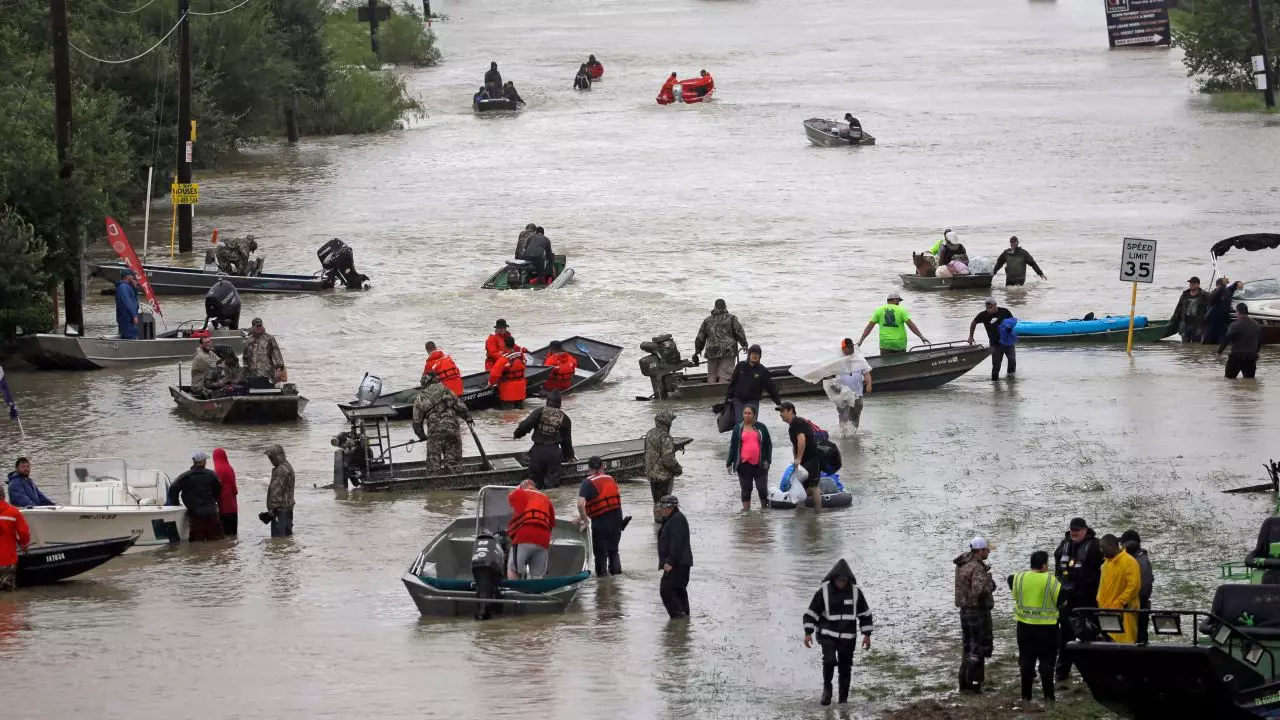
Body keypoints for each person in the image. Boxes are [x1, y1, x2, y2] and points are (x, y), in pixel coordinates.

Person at [803, 559, 874, 706]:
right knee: (829, 660)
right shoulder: (823, 592)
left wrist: (867, 635)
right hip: (827, 635)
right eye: (840, 580)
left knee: (845, 668)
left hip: (848, 638)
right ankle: (827, 689)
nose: (842, 583)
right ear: (834, 578)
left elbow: (865, 615)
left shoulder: (855, 593)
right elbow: (811, 613)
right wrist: (808, 632)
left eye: (845, 580)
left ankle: (843, 700)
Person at [1053, 517, 1104, 681]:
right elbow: (1057, 565)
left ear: (1085, 530)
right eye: (1072, 530)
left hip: (1089, 599)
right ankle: (1062, 671)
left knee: (1090, 634)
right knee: (1065, 634)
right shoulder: (1064, 544)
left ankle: (1093, 671)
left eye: (1078, 530)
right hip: (1068, 599)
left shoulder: (1095, 546)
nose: (1074, 533)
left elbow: (1103, 570)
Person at [1008, 551, 1062, 703]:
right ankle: (1049, 697)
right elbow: (1062, 598)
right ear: (1044, 564)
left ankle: (1026, 696)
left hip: (1024, 627)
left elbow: (1009, 579)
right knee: (1047, 663)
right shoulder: (1050, 580)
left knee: (1026, 662)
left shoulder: (1019, 577)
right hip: (1047, 629)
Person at [955, 537, 996, 694]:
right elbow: (979, 591)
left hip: (964, 611)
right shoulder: (977, 567)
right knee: (977, 647)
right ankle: (974, 684)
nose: (989, 551)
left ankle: (964, 682)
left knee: (968, 646)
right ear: (980, 551)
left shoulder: (962, 564)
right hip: (977, 612)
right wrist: (990, 584)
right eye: (987, 549)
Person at [412, 372, 473, 473]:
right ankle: (457, 481)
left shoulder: (420, 397)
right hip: (452, 429)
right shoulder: (446, 390)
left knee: (434, 463)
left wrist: (422, 436)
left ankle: (435, 483)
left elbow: (416, 422)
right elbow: (460, 406)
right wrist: (468, 418)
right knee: (454, 461)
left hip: (435, 433)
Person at [514, 391, 574, 489]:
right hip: (554, 454)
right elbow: (567, 442)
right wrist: (569, 456)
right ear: (559, 403)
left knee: (533, 485)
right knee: (552, 488)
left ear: (547, 401)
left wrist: (517, 434)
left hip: (538, 452)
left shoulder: (539, 412)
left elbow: (526, 425)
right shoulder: (565, 418)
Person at [577, 456, 625, 576]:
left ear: (589, 468)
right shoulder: (611, 478)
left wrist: (585, 520)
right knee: (613, 551)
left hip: (601, 522)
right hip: (617, 518)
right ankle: (616, 584)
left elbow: (580, 504)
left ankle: (602, 586)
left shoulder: (587, 482)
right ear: (602, 467)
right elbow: (606, 502)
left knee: (600, 554)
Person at [166, 450, 224, 542]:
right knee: (216, 542)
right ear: (204, 461)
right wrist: (213, 500)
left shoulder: (185, 476)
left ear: (193, 460)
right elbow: (219, 489)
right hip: (211, 513)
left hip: (196, 514)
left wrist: (175, 503)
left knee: (197, 543)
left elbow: (173, 489)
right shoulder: (212, 475)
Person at [1097, 533, 1141, 644]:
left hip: (1124, 613)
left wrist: (1120, 602)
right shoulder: (1106, 564)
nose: (1101, 551)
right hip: (1106, 613)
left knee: (1125, 645)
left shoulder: (1129, 562)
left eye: (1103, 548)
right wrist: (1100, 601)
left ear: (1113, 546)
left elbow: (1134, 586)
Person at [778, 402, 823, 511]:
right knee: (805, 486)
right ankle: (802, 512)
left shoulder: (797, 422)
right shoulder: (791, 426)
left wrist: (798, 459)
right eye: (780, 411)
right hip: (804, 460)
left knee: (813, 487)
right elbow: (795, 445)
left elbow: (801, 440)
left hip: (812, 459)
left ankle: (818, 517)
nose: (780, 414)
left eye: (782, 411)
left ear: (790, 411)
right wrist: (796, 461)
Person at [726, 405, 772, 510]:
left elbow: (768, 445)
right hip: (743, 464)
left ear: (754, 415)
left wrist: (768, 460)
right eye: (745, 413)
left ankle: (764, 511)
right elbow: (733, 446)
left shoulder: (761, 427)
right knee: (746, 490)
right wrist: (729, 462)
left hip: (760, 464)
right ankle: (746, 514)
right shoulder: (737, 428)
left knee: (762, 489)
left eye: (749, 413)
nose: (746, 415)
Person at [507, 479, 554, 579]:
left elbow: (511, 499)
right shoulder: (546, 498)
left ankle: (514, 592)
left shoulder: (521, 493)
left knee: (513, 569)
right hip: (543, 540)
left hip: (524, 537)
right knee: (538, 575)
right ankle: (536, 593)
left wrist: (518, 489)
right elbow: (552, 523)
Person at [695, 299, 749, 385]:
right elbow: (739, 332)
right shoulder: (732, 318)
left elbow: (700, 337)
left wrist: (697, 351)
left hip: (711, 351)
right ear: (725, 306)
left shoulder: (707, 320)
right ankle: (722, 394)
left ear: (715, 307)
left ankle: (711, 394)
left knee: (712, 374)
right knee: (725, 374)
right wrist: (744, 345)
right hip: (728, 350)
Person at [724, 344, 782, 423]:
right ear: (749, 354)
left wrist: (778, 402)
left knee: (751, 423)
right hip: (738, 400)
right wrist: (728, 398)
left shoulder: (763, 371)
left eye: (757, 354)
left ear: (760, 356)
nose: (755, 356)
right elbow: (733, 383)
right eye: (753, 353)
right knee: (739, 424)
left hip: (753, 401)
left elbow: (771, 387)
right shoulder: (740, 366)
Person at [825, 338, 872, 436]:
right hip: (841, 392)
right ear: (843, 348)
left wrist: (869, 384)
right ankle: (843, 434)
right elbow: (829, 374)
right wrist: (828, 383)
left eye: (852, 346)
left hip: (857, 393)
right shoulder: (837, 360)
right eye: (849, 347)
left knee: (856, 414)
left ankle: (853, 435)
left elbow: (866, 373)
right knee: (843, 414)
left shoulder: (859, 359)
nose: (851, 349)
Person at [656, 494, 692, 618]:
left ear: (670, 508)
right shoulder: (672, 518)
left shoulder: (676, 519)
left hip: (677, 563)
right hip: (680, 563)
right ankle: (684, 621)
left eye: (662, 507)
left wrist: (670, 562)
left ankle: (679, 618)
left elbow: (677, 543)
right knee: (679, 591)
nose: (660, 509)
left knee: (666, 590)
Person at [857, 292, 930, 353]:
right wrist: (921, 337)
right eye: (898, 301)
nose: (899, 303)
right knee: (900, 365)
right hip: (899, 343)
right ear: (895, 300)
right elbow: (911, 326)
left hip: (885, 344)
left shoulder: (879, 310)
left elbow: (869, 327)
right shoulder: (901, 310)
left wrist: (861, 341)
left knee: (886, 366)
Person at [644, 410, 683, 515]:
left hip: (652, 474)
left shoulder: (649, 433)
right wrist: (678, 469)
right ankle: (663, 525)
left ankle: (657, 526)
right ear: (667, 423)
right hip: (664, 477)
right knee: (665, 504)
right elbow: (668, 458)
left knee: (656, 503)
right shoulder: (665, 437)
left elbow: (646, 453)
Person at [968, 297, 1017, 381]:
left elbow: (1012, 321)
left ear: (995, 305)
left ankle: (1011, 380)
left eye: (991, 307)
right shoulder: (983, 315)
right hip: (995, 344)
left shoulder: (1004, 311)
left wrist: (1008, 327)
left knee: (1012, 361)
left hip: (1008, 342)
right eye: (987, 308)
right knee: (996, 365)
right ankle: (995, 385)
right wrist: (971, 336)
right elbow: (974, 322)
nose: (989, 309)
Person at [1120, 530, 1154, 644]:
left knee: (1139, 638)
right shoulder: (1128, 559)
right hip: (1127, 605)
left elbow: (1145, 586)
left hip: (1138, 606)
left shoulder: (1141, 561)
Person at [1218, 303, 1262, 379]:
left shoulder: (1234, 325)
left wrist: (1219, 351)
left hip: (1236, 357)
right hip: (1251, 358)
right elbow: (1260, 341)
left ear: (1238, 312)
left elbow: (1226, 339)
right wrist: (1256, 352)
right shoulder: (1256, 325)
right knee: (1249, 381)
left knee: (1229, 380)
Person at [0, 493, 31, 592]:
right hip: (6, 560)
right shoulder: (13, 512)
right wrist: (24, 544)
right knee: (8, 593)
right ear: (4, 496)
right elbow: (23, 533)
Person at [488, 335, 528, 408]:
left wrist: (490, 384)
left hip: (508, 391)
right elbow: (523, 367)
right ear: (513, 344)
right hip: (520, 389)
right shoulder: (520, 355)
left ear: (504, 345)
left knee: (509, 416)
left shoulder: (503, 359)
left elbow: (494, 374)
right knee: (520, 411)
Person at [242, 317, 286, 382]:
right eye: (257, 326)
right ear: (253, 327)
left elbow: (276, 353)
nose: (259, 328)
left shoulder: (269, 338)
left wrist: (279, 368)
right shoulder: (249, 339)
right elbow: (245, 356)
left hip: (267, 371)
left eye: (260, 326)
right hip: (252, 372)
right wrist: (246, 368)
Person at [265, 444, 295, 538]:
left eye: (271, 457)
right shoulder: (288, 466)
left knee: (278, 542)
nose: (270, 460)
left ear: (277, 456)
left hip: (280, 511)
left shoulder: (281, 470)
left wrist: (271, 512)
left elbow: (276, 493)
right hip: (287, 509)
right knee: (286, 538)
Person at [1203, 277, 1244, 345]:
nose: (1224, 287)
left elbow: (1233, 286)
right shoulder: (1211, 295)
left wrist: (1238, 282)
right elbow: (1218, 293)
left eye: (1224, 286)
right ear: (1217, 286)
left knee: (1222, 344)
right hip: (1211, 324)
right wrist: (1223, 285)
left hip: (1222, 324)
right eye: (1222, 285)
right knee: (1207, 345)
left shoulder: (1227, 292)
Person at [1169, 276, 1209, 343]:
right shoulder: (1185, 295)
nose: (1191, 285)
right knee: (1185, 346)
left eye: (1193, 283)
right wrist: (1172, 321)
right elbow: (1178, 309)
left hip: (1198, 326)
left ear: (1198, 284)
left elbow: (1211, 307)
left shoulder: (1204, 295)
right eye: (1190, 283)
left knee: (1196, 346)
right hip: (1185, 325)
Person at [212, 448, 238, 537]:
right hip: (233, 506)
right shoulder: (230, 468)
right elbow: (234, 488)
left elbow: (216, 489)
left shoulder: (217, 470)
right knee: (233, 534)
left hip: (223, 507)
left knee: (224, 536)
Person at [115, 269, 140, 340]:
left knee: (132, 335)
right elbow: (127, 302)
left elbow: (133, 298)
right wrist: (134, 315)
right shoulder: (123, 287)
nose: (133, 277)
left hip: (129, 318)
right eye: (132, 275)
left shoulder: (127, 286)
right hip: (126, 318)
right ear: (127, 276)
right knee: (130, 336)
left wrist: (135, 288)